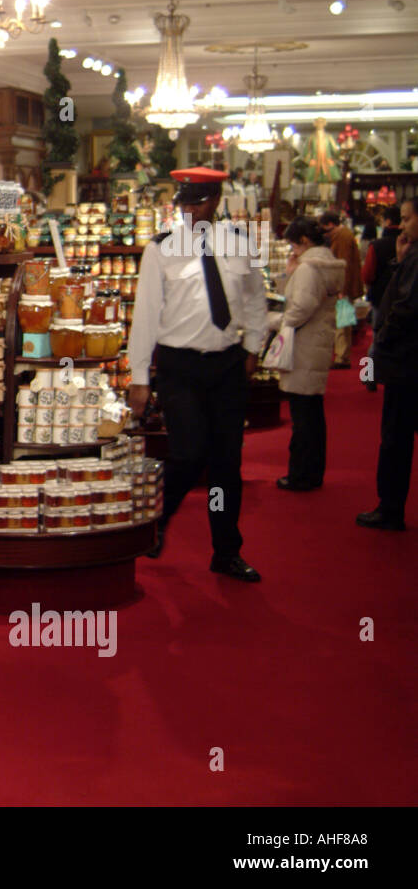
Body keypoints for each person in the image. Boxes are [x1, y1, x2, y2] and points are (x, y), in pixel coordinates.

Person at [128, 167, 267, 582]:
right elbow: (146, 314)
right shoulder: (161, 249)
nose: (190, 210)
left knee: (227, 464)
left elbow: (255, 299)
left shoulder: (241, 244)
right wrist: (139, 375)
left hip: (226, 364)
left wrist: (253, 347)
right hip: (179, 365)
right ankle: (159, 517)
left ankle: (225, 551)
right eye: (184, 203)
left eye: (199, 201)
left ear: (217, 200)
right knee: (189, 453)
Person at [268, 218, 345, 491]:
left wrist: (275, 320)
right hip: (318, 343)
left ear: (303, 241)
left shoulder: (308, 269)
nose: (291, 250)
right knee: (312, 413)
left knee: (303, 416)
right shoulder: (325, 264)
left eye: (292, 243)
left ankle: (301, 474)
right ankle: (311, 471)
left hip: (304, 346)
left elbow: (299, 309)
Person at [357, 198, 418, 531]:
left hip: (404, 360)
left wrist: (385, 338)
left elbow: (405, 308)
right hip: (403, 356)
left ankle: (390, 507)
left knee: (395, 437)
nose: (403, 225)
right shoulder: (403, 253)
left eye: (408, 219)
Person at [361, 205, 404, 393]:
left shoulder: (377, 245)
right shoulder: (410, 243)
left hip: (380, 297)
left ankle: (369, 376)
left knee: (378, 336)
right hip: (405, 297)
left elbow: (367, 275)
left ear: (387, 221)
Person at [320, 211, 362, 367]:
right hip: (345, 285)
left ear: (331, 225)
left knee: (342, 323)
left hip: (344, 286)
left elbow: (344, 265)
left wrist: (341, 289)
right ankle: (343, 355)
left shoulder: (343, 237)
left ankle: (341, 357)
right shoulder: (343, 235)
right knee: (344, 322)